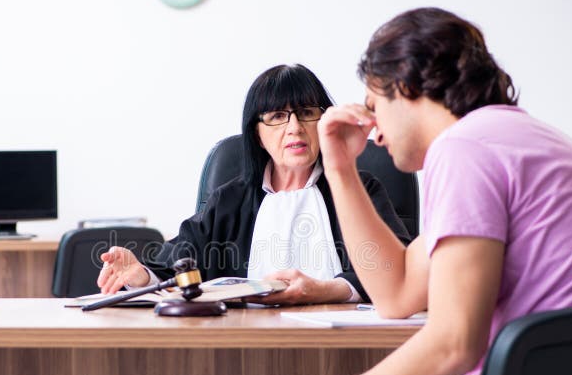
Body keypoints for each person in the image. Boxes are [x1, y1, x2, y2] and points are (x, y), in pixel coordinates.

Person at [223, 7, 572, 375]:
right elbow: (396, 292)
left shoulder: (465, 151)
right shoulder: (515, 140)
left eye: (375, 104)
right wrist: (338, 166)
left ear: (405, 87)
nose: (374, 131)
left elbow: (451, 346)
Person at [97, 63, 411, 304]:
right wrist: (141, 276)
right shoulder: (230, 199)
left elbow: (397, 270)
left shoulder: (359, 189)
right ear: (257, 134)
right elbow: (178, 263)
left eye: (306, 113)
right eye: (277, 116)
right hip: (243, 350)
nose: (295, 127)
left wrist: (327, 290)